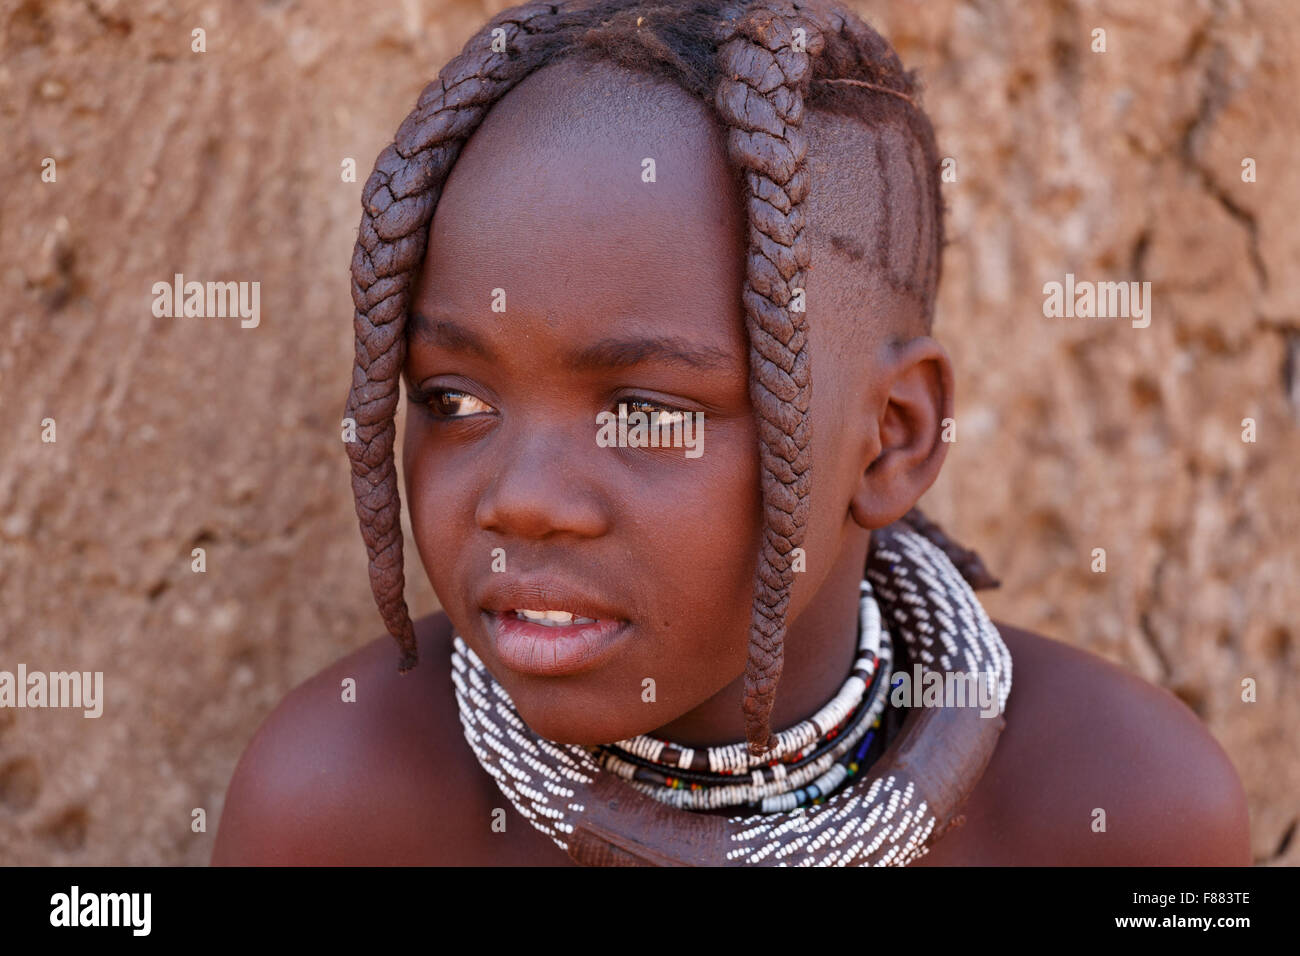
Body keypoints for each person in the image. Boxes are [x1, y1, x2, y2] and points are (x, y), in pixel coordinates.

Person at [212, 0, 1249, 866]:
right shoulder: (344, 807)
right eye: (454, 400)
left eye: (649, 412)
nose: (520, 497)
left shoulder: (1118, 809)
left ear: (891, 437)